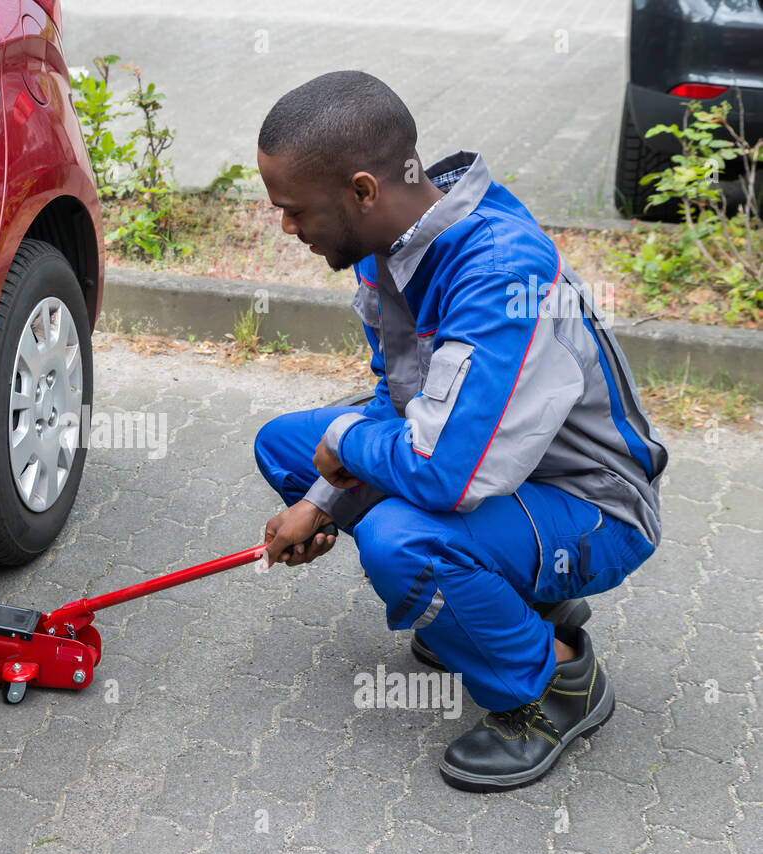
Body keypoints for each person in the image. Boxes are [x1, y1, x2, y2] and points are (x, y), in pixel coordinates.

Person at [254, 71, 668, 792]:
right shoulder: (393, 250)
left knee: (400, 543)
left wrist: (346, 453)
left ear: (361, 190)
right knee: (285, 443)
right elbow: (397, 401)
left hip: (594, 506)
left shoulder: (497, 270)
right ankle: (507, 600)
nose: (285, 227)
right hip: (504, 477)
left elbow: (449, 472)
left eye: (293, 210)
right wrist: (321, 496)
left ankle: (552, 685)